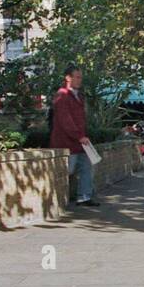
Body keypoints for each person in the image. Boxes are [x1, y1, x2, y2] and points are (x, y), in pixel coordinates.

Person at [50, 64, 97, 208]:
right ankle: (55, 199)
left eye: (80, 77)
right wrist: (78, 136)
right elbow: (66, 120)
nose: (79, 80)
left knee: (86, 167)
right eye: (77, 77)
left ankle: (84, 197)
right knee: (67, 170)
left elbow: (79, 119)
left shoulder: (78, 96)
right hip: (67, 142)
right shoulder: (62, 95)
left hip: (80, 141)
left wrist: (83, 136)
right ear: (68, 78)